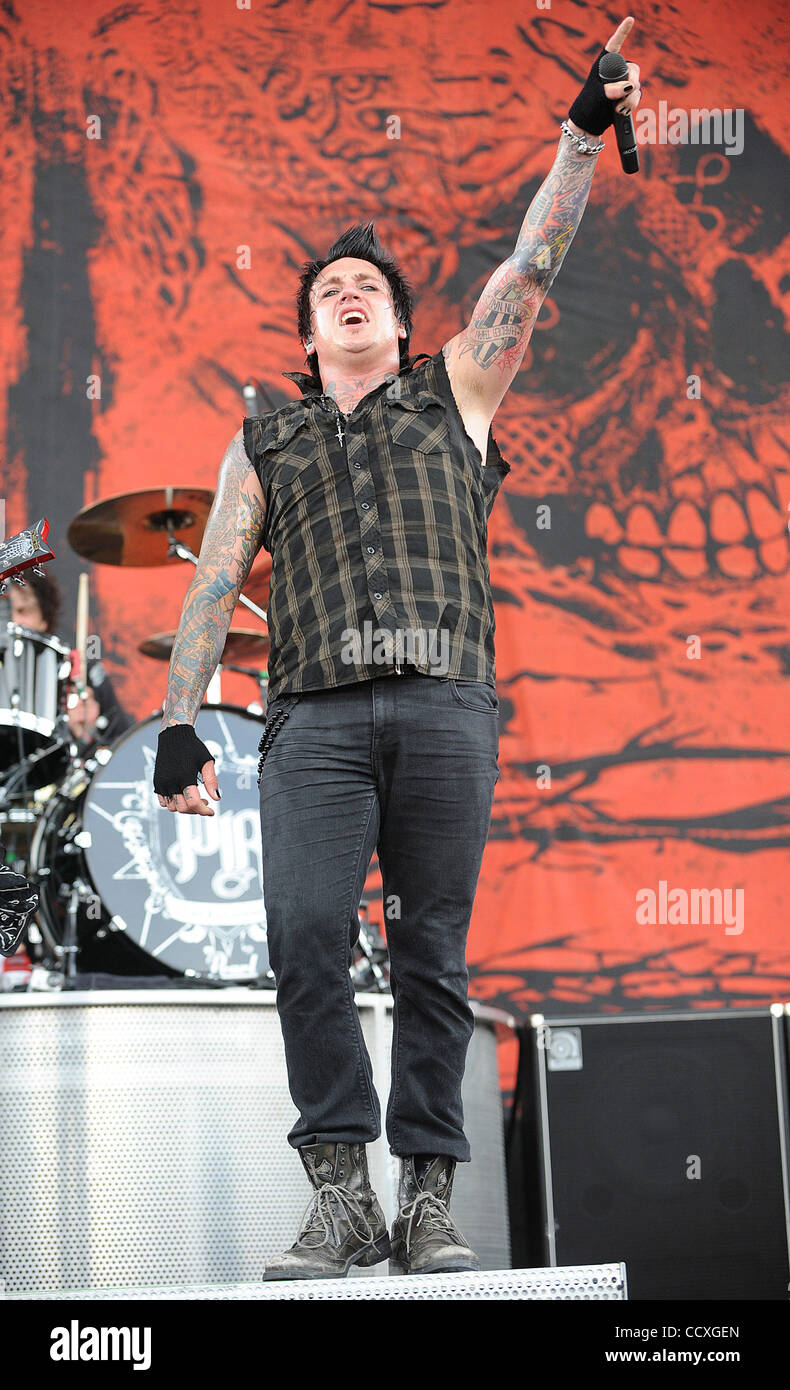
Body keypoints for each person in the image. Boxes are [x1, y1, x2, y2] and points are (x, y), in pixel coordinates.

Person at [153, 19, 642, 1280]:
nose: (348, 289)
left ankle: (425, 1200)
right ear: (307, 340)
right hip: (310, 720)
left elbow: (533, 266)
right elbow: (211, 579)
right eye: (326, 290)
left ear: (402, 320)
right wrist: (176, 723)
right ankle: (338, 1195)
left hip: (443, 706)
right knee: (307, 936)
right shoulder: (266, 440)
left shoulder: (458, 390)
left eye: (367, 283)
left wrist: (579, 136)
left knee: (432, 950)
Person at [8, 571, 134, 747]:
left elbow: (120, 741)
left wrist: (87, 733)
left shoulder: (75, 668)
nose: (14, 621)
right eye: (6, 612)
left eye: (23, 611)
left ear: (44, 616)